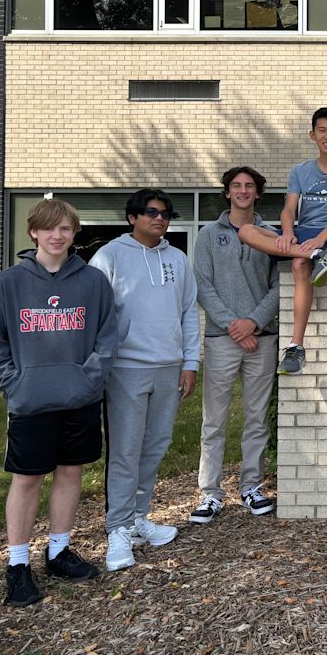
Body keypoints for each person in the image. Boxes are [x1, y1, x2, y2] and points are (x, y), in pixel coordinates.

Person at [0, 199, 117, 606]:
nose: (57, 236)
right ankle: (17, 564)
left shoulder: (92, 282)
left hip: (79, 398)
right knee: (27, 479)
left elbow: (107, 339)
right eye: (49, 228)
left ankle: (58, 551)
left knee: (70, 473)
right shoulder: (10, 283)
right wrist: (15, 384)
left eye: (65, 229)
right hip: (30, 401)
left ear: (74, 234)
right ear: (34, 233)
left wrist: (88, 380)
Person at [90, 189, 200, 572]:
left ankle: (138, 518)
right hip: (125, 368)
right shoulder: (110, 256)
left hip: (169, 367)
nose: (160, 218)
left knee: (155, 446)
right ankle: (117, 529)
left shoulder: (178, 259)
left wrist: (191, 362)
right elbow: (96, 313)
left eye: (167, 213)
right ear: (132, 217)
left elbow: (188, 313)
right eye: (152, 212)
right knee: (125, 450)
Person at [237, 107, 327, 376]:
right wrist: (287, 233)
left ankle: (296, 346)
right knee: (246, 231)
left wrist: (320, 240)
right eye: (322, 130)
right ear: (312, 135)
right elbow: (288, 209)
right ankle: (313, 256)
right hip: (301, 236)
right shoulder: (300, 171)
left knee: (299, 266)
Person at [191, 166, 280, 525]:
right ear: (227, 192)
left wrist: (253, 322)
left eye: (249, 186)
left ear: (258, 193)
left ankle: (251, 487)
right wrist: (234, 325)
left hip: (262, 338)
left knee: (257, 418)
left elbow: (279, 286)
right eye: (236, 186)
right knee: (214, 420)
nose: (243, 191)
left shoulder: (272, 235)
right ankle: (210, 494)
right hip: (222, 339)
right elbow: (202, 284)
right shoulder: (209, 235)